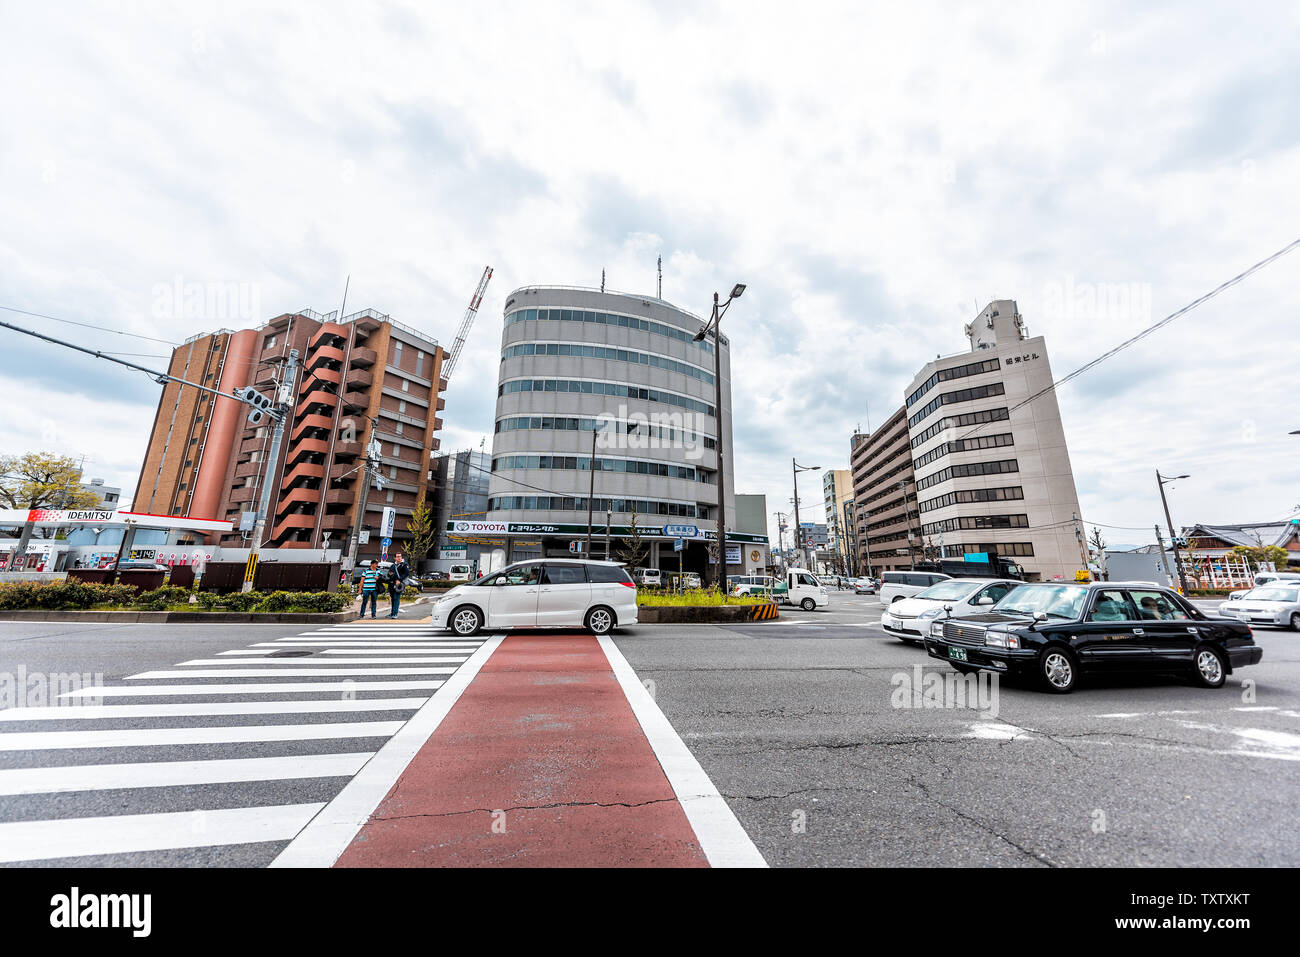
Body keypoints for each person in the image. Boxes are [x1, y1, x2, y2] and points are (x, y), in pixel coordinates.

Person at [388, 552, 412, 618]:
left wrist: (399, 580)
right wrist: (391, 575)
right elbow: (389, 574)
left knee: (397, 598)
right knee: (393, 598)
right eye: (397, 556)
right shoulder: (393, 565)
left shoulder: (404, 564)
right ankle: (392, 612)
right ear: (395, 558)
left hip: (400, 584)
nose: (399, 558)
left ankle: (395, 613)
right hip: (392, 584)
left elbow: (406, 573)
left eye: (400, 556)